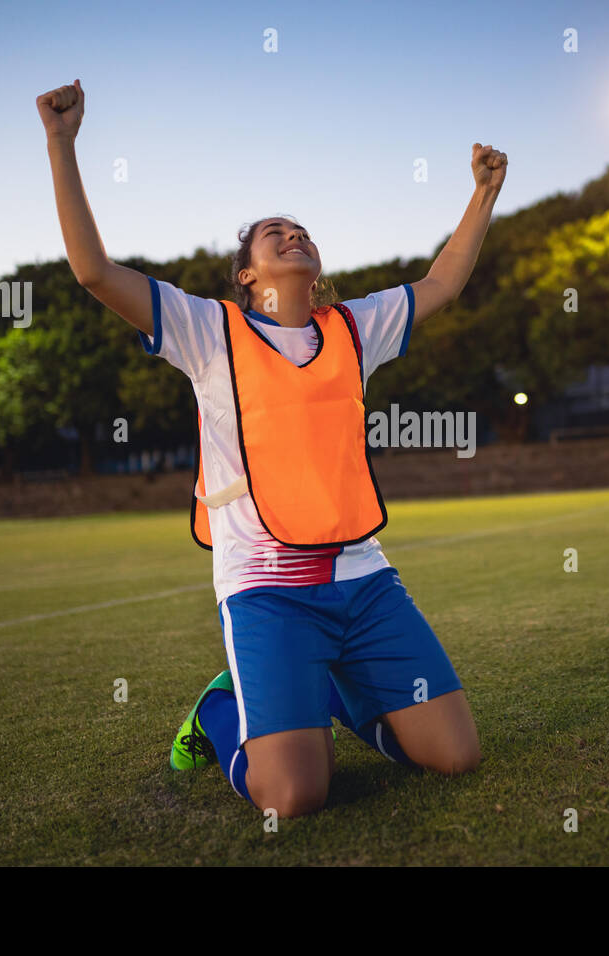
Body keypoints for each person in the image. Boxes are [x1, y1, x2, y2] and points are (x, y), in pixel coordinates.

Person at [38, 78, 506, 818]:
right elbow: (94, 271)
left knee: (457, 757)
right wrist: (62, 143)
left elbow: (442, 282)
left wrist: (483, 193)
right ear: (248, 273)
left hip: (364, 577)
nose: (293, 235)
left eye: (301, 229)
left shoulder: (354, 328)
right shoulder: (207, 330)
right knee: (292, 796)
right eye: (273, 233)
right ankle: (217, 716)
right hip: (266, 589)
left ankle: (327, 687)